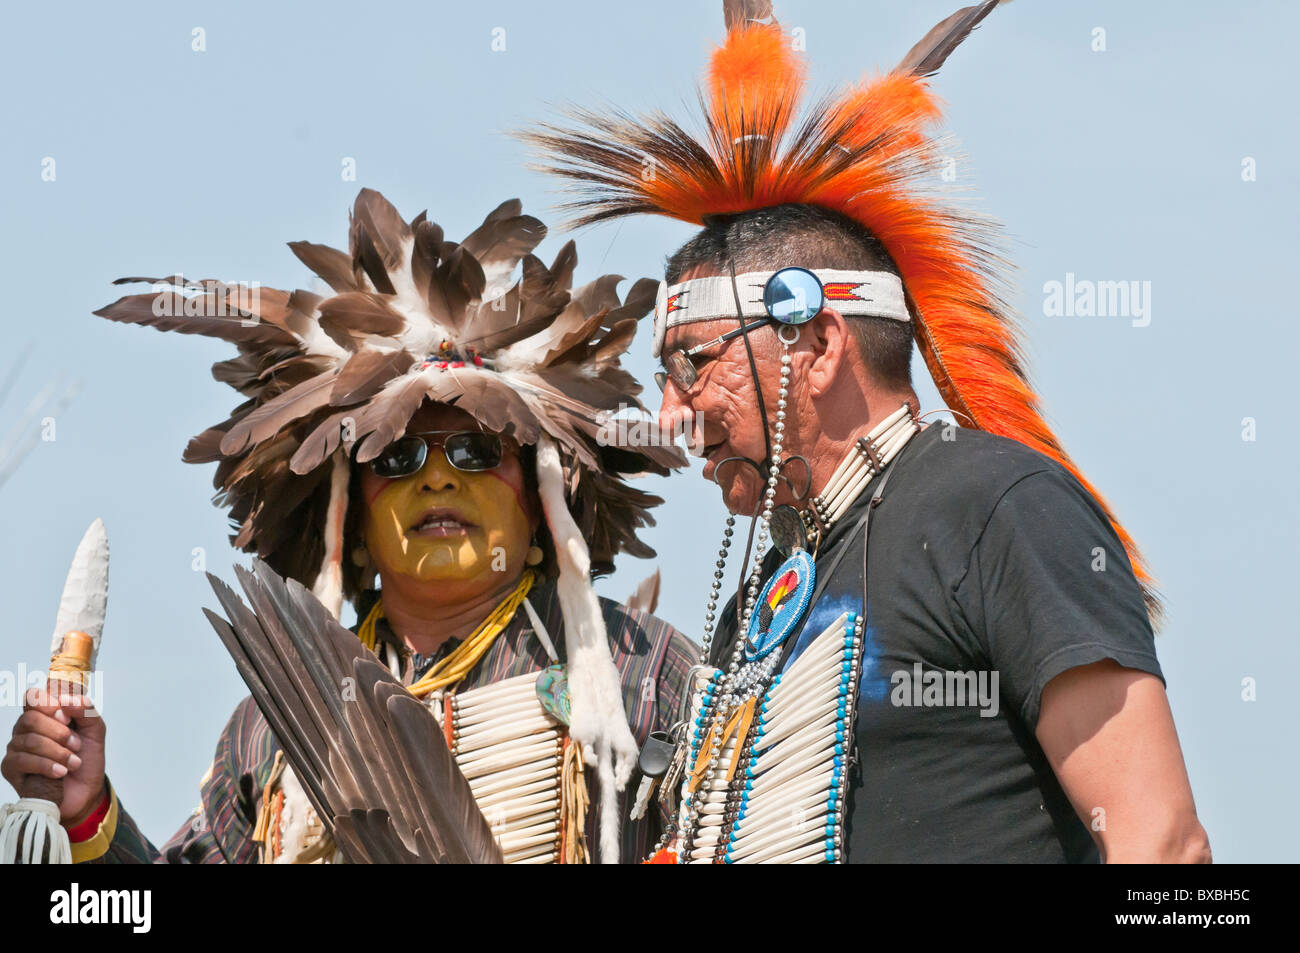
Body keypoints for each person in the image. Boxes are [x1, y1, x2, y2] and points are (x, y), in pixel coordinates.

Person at [526, 1, 1212, 862]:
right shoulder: (766, 598)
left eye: (694, 364)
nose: (669, 414)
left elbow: (1165, 844)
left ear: (815, 343)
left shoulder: (997, 507)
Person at [2, 189, 694, 864]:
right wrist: (89, 812)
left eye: (476, 449)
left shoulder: (646, 675)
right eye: (395, 455)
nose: (437, 477)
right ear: (351, 521)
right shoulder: (274, 730)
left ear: (542, 505)